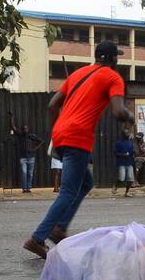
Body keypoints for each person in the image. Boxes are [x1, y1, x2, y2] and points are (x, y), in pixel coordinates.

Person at [24, 42, 134, 258]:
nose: (117, 61)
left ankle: (60, 229)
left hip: (62, 134)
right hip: (78, 137)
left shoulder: (78, 74)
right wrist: (130, 117)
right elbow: (118, 111)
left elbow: (52, 105)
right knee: (68, 191)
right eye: (117, 57)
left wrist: (59, 129)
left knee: (86, 183)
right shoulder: (113, 77)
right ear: (113, 59)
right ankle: (37, 238)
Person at [8, 116, 42, 193]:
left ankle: (28, 188)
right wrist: (11, 117)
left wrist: (35, 149)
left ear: (28, 129)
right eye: (24, 128)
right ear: (22, 130)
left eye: (26, 128)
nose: (25, 129)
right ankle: (24, 189)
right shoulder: (21, 135)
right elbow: (13, 127)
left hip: (31, 158)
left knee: (30, 174)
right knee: (24, 173)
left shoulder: (31, 136)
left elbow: (41, 141)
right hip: (23, 158)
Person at [112, 128, 136, 197]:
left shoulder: (131, 143)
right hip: (121, 163)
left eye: (128, 133)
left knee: (130, 178)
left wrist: (134, 153)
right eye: (126, 133)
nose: (127, 134)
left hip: (129, 162)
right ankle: (115, 186)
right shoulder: (118, 143)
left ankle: (127, 192)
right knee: (121, 178)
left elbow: (133, 152)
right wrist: (123, 155)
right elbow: (115, 153)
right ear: (123, 135)